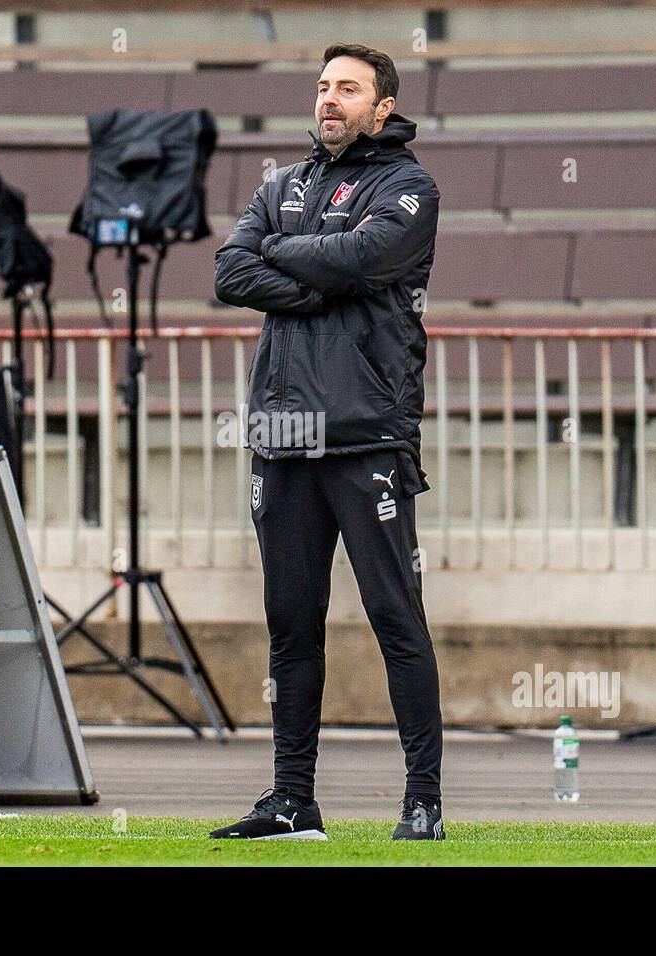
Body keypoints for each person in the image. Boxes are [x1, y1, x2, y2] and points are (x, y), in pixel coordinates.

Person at [209, 43, 444, 839]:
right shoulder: (282, 184)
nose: (329, 100)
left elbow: (368, 256)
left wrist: (284, 256)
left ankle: (422, 802)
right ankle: (291, 801)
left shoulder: (408, 185)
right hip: (280, 438)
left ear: (383, 107)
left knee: (394, 617)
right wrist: (316, 274)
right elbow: (229, 273)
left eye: (348, 88)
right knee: (290, 623)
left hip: (365, 434)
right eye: (322, 88)